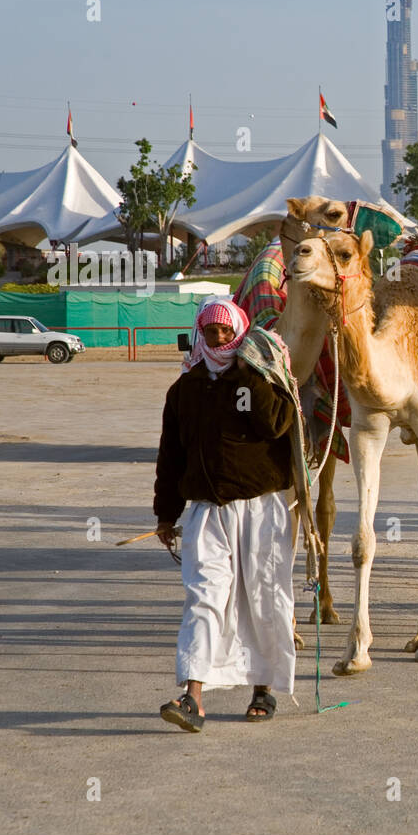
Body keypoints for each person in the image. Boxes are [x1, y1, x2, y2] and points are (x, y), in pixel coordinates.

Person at [154, 299, 299, 732]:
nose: (218, 339)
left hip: (261, 509)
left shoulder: (260, 379)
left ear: (239, 331)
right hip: (205, 512)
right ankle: (192, 696)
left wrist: (252, 370)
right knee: (204, 598)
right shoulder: (185, 388)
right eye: (210, 331)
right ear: (200, 332)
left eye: (225, 331)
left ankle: (264, 689)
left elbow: (276, 425)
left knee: (265, 597)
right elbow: (170, 457)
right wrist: (166, 514)